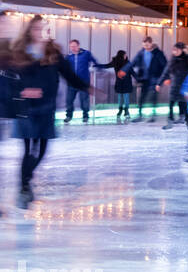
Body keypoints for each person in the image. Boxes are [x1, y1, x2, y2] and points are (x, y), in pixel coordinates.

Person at [6, 16, 89, 208]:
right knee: (28, 149)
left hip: (46, 108)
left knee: (42, 150)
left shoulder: (54, 53)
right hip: (25, 108)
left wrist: (88, 88)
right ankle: (24, 186)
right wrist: (22, 90)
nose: (40, 33)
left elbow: (69, 76)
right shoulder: (19, 52)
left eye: (43, 29)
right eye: (36, 29)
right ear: (30, 31)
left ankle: (26, 180)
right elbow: (10, 78)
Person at [63, 38, 107, 124]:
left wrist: (100, 69)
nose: (72, 48)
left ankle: (85, 116)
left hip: (83, 82)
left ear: (78, 46)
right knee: (69, 100)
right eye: (71, 46)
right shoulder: (68, 56)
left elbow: (94, 62)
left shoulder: (86, 54)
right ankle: (68, 116)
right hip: (72, 83)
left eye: (74, 46)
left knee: (84, 100)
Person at [131, 36, 167, 122]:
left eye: (147, 44)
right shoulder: (141, 53)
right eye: (144, 45)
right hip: (144, 79)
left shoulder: (158, 53)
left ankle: (153, 116)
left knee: (153, 96)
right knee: (141, 97)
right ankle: (140, 115)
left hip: (155, 78)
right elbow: (133, 63)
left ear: (151, 43)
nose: (146, 46)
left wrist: (164, 78)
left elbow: (165, 65)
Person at [161, 42, 188, 130]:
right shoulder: (172, 59)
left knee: (184, 105)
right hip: (174, 86)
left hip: (184, 86)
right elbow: (166, 71)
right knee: (171, 105)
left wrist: (187, 54)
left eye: (176, 50)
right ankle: (170, 122)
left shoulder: (187, 59)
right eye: (174, 50)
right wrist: (159, 82)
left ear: (181, 50)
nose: (174, 51)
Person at [107, 49, 134, 120]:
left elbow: (132, 72)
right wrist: (97, 66)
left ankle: (126, 110)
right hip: (119, 83)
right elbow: (107, 65)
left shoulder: (128, 63)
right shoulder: (116, 62)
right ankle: (120, 110)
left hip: (127, 82)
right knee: (120, 97)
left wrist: (139, 79)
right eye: (124, 55)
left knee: (126, 97)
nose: (126, 56)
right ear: (121, 56)